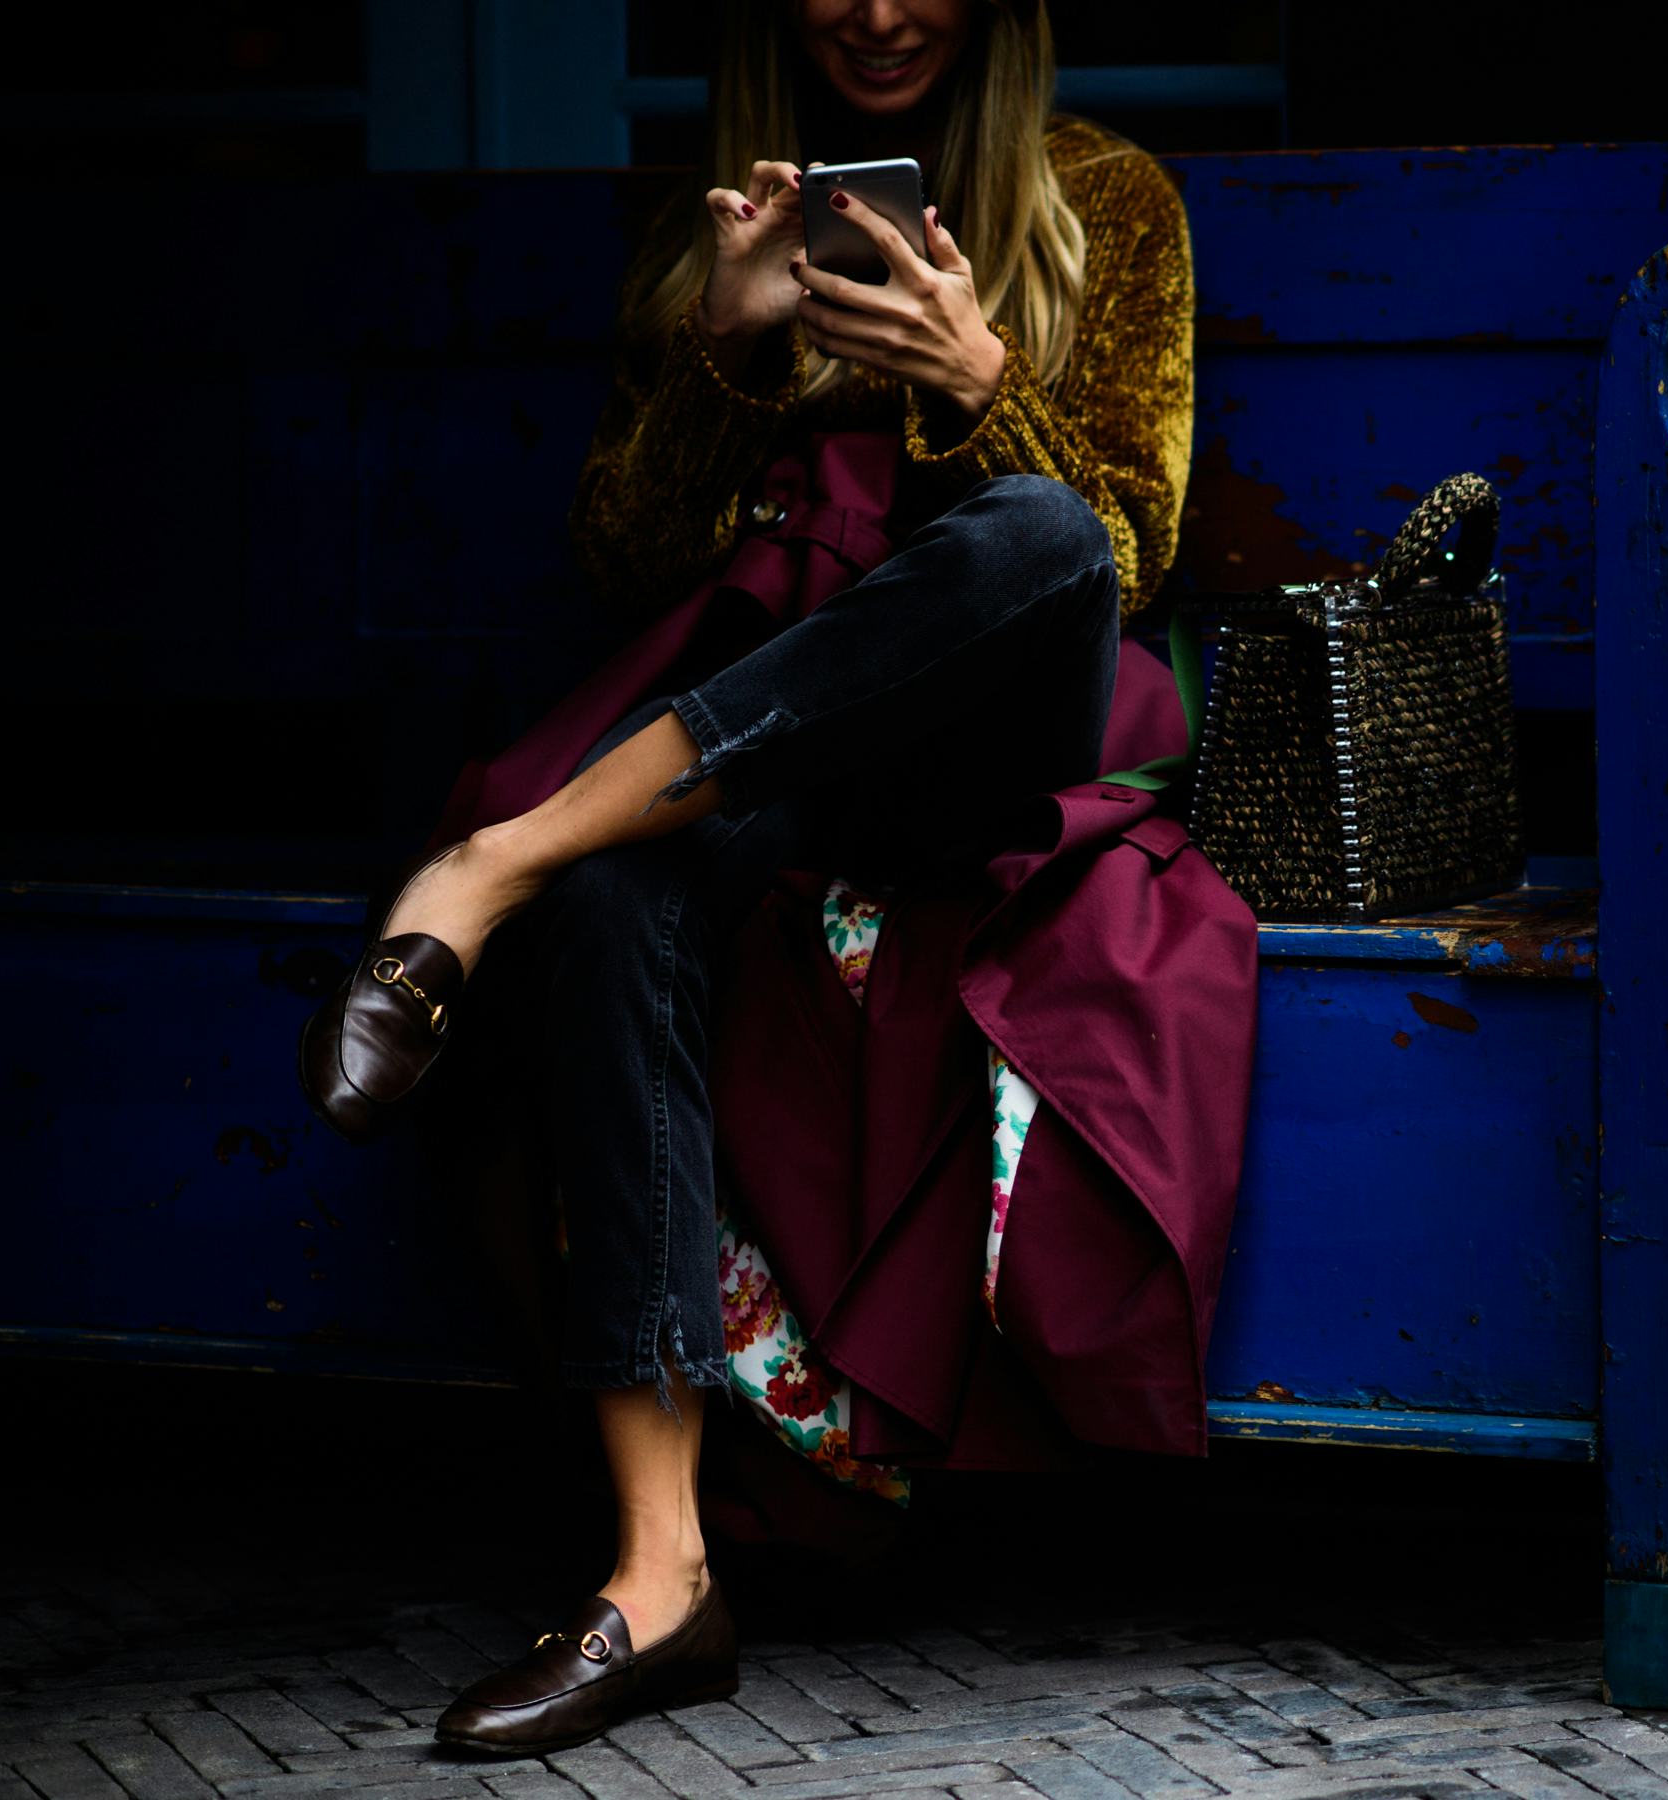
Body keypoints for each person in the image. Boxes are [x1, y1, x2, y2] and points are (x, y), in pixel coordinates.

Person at [297, 0, 1195, 1756]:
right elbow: (627, 563)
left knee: (1039, 530)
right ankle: (660, 1573)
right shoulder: (727, 213)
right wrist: (721, 352)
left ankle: (491, 860)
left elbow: (1128, 558)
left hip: (983, 750)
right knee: (623, 910)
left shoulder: (1115, 201)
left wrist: (975, 386)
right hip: (760, 753)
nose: (872, 10)